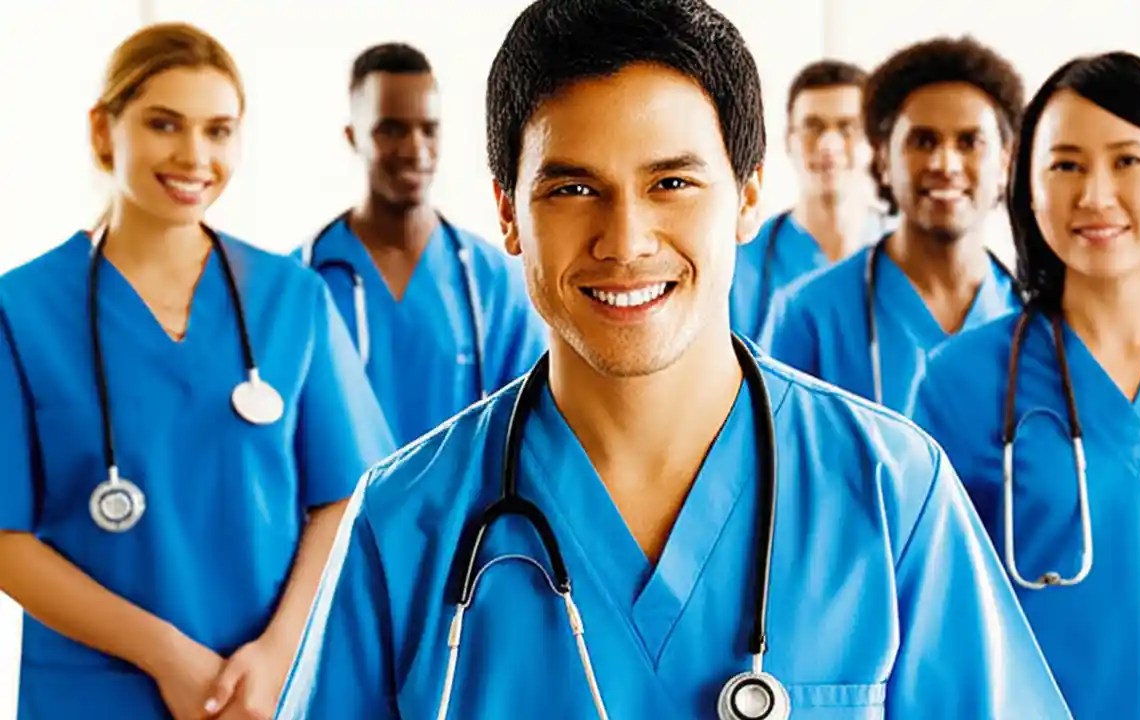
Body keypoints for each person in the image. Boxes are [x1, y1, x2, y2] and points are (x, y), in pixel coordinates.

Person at [275, 2, 1072, 718]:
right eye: (573, 190)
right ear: (507, 213)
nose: (625, 242)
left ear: (749, 196)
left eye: (672, 183)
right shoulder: (403, 522)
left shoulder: (893, 495)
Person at [0, 23, 394, 719]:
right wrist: (166, 655)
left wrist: (277, 657)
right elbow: (6, 539)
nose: (194, 155)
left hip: (265, 691)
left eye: (219, 130)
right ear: (103, 130)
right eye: (164, 124)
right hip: (94, 692)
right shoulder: (21, 308)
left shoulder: (291, 297)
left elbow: (346, 499)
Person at [911, 51, 1140, 718]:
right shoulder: (959, 382)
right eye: (1066, 164)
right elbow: (938, 612)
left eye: (1127, 161)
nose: (1095, 195)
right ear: (1028, 187)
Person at [297, 42, 548, 445]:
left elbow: (530, 431)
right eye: (391, 130)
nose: (415, 150)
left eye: (428, 129)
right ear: (352, 136)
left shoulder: (496, 284)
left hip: (465, 510)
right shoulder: (301, 282)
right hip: (341, 509)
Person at [760, 37, 1023, 415]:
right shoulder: (808, 315)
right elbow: (773, 461)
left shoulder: (1029, 318)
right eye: (923, 140)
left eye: (970, 142)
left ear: (1005, 161)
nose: (945, 163)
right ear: (882, 158)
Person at [728, 60, 885, 342]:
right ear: (789, 140)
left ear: (876, 142)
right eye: (813, 127)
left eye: (848, 128)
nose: (829, 145)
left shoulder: (907, 255)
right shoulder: (742, 261)